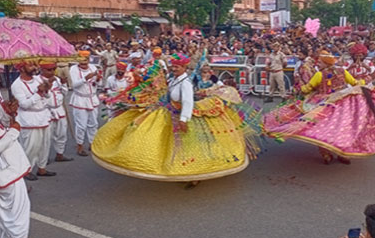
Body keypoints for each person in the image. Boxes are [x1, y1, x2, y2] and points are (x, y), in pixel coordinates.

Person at [91, 54, 259, 182]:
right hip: (169, 112)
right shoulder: (174, 79)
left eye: (176, 67)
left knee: (190, 147)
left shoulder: (185, 83)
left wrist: (184, 119)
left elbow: (187, 102)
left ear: (184, 68)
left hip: (181, 116)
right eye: (172, 67)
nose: (173, 69)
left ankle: (196, 174)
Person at [0, 100, 46, 238]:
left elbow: (1, 122)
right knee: (18, 209)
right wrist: (13, 132)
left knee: (3, 209)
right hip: (7, 171)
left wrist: (7, 112)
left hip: (6, 169)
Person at [11, 61, 54, 180]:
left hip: (43, 117)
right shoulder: (16, 85)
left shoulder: (37, 79)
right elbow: (24, 104)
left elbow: (47, 97)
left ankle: (42, 168)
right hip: (29, 119)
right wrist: (39, 92)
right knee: (31, 147)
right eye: (30, 65)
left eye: (34, 65)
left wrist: (46, 89)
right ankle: (26, 170)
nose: (34, 68)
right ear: (22, 69)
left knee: (45, 145)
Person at [69, 50, 101, 156]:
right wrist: (85, 78)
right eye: (81, 60)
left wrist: (98, 79)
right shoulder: (73, 69)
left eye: (86, 60)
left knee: (93, 123)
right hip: (80, 99)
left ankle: (92, 143)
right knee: (81, 125)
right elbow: (74, 85)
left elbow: (98, 83)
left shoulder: (93, 67)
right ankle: (80, 145)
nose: (84, 63)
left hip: (92, 98)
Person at [40, 62, 72, 164]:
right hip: (46, 111)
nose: (52, 72)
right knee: (46, 137)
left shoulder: (57, 79)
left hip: (59, 109)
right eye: (49, 70)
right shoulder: (37, 80)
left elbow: (64, 93)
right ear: (42, 70)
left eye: (54, 69)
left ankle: (60, 154)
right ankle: (43, 158)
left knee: (62, 133)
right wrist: (48, 85)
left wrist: (63, 84)